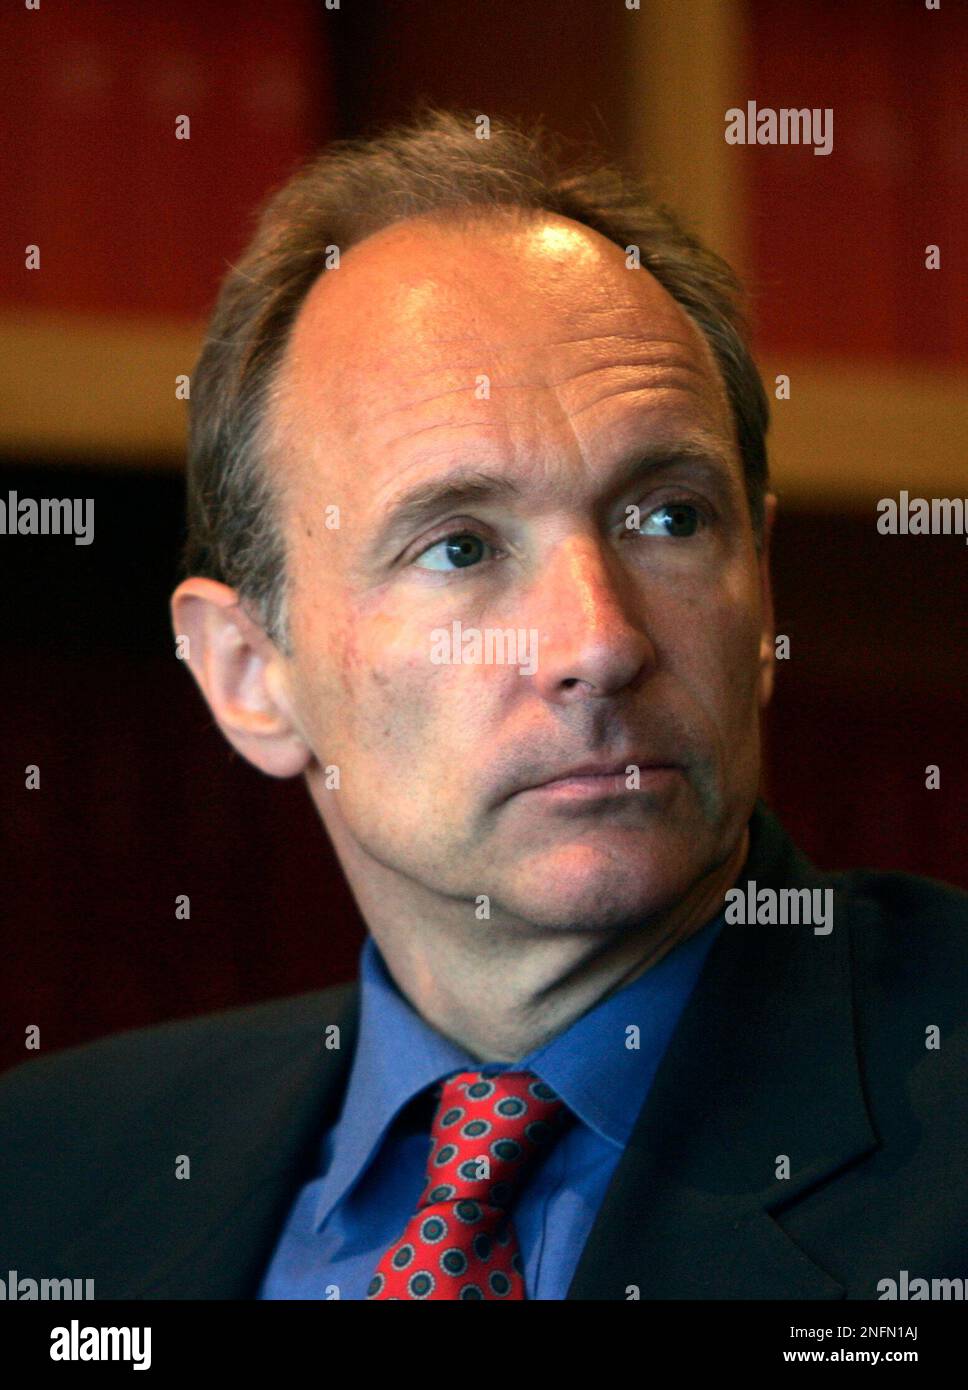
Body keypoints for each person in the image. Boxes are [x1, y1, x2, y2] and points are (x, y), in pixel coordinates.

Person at [2, 110, 966, 1302]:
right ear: (249, 675)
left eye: (666, 518)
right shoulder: (42, 1182)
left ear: (758, 593)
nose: (599, 643)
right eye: (458, 546)